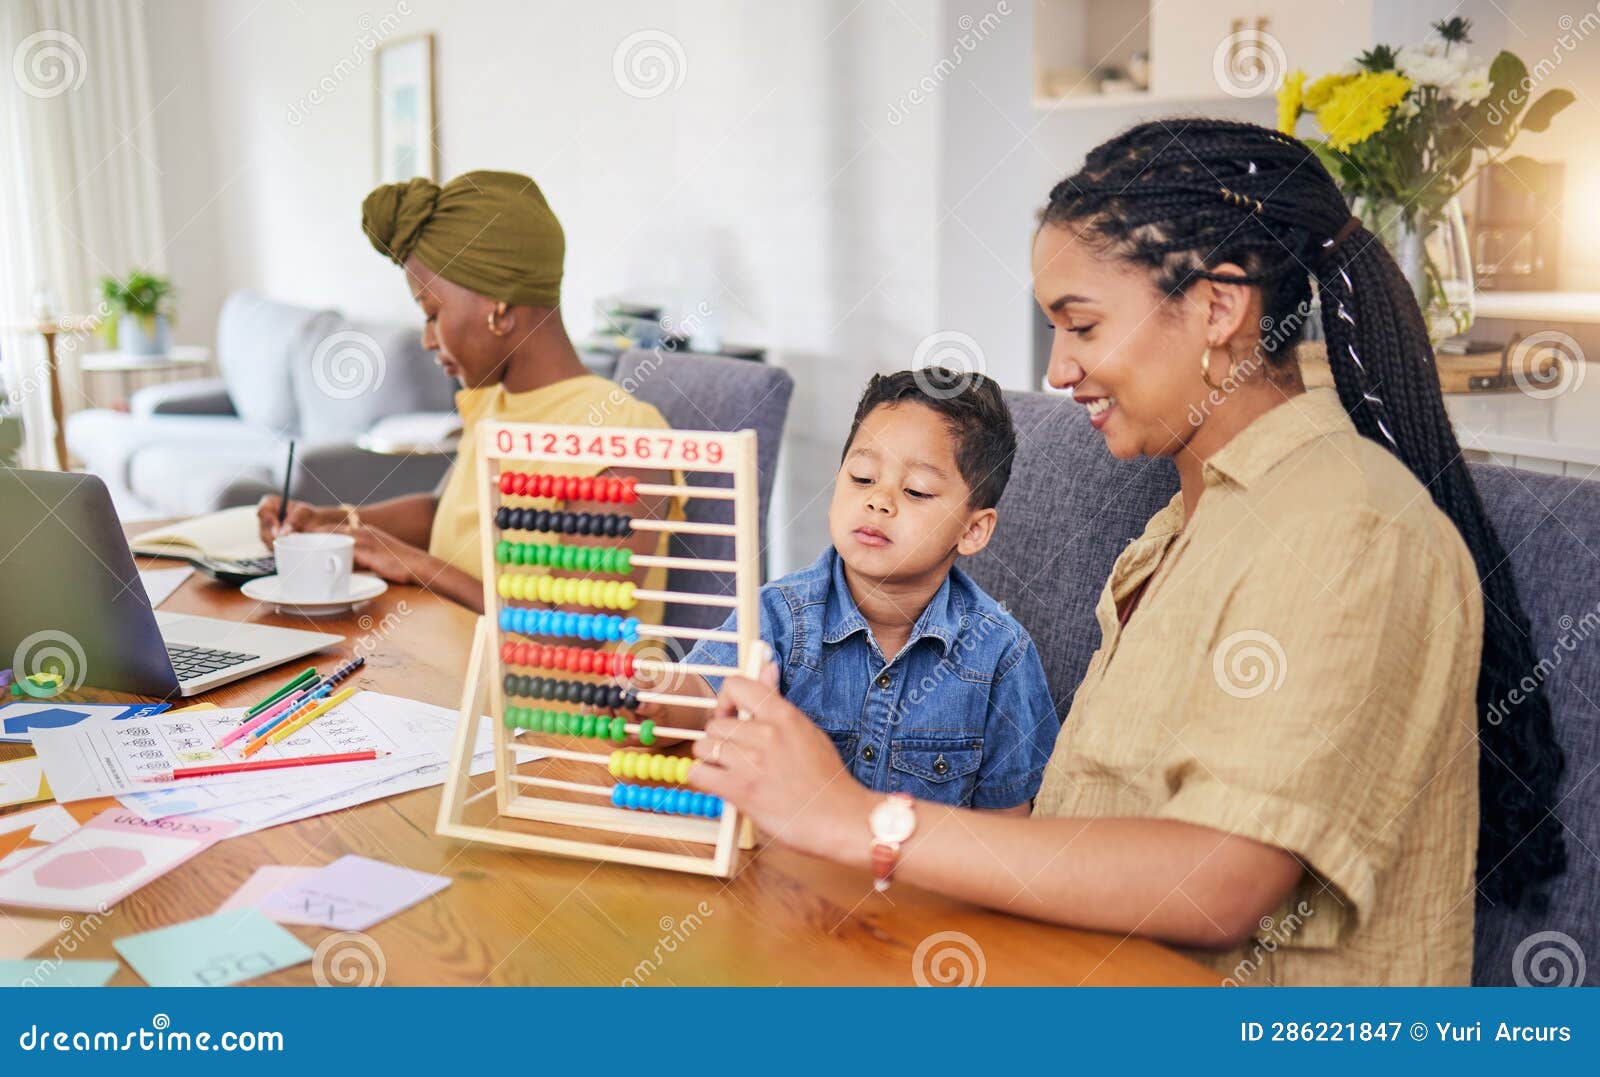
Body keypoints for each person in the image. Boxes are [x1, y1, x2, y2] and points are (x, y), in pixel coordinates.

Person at [683, 119, 1566, 986]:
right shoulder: (1179, 530)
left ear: (1218, 307)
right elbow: (1080, 826)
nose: (1060, 370)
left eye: (1083, 325)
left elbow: (1223, 880)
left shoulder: (1350, 529)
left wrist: (860, 815)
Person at [256, 171, 678, 616]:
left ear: (499, 305)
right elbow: (446, 514)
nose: (427, 339)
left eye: (432, 312)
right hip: (442, 662)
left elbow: (573, 625)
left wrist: (417, 565)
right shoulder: (492, 402)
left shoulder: (621, 431)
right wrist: (336, 523)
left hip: (543, 686)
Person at [649, 369, 1057, 811]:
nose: (879, 500)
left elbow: (1009, 830)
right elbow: (699, 697)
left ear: (974, 530)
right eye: (862, 478)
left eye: (916, 491)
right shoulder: (780, 617)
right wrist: (650, 703)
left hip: (919, 879)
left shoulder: (1000, 655)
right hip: (780, 871)